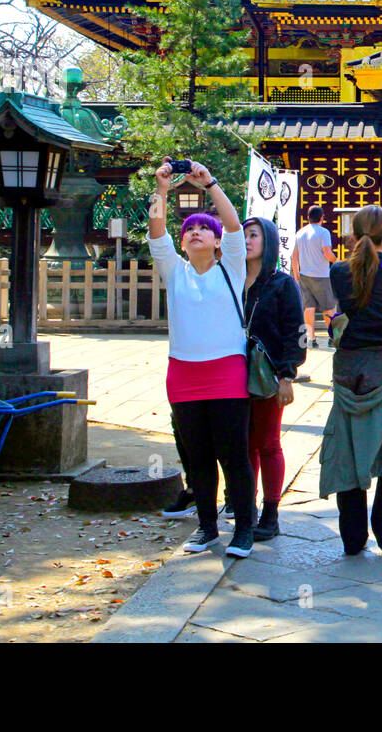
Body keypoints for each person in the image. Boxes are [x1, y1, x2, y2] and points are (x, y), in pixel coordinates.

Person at [148, 159, 256, 559]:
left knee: (234, 455)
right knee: (197, 458)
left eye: (202, 230)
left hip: (227, 372)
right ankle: (207, 527)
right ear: (183, 242)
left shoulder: (230, 267)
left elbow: (233, 225)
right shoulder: (175, 272)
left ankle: (244, 528)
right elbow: (155, 234)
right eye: (189, 229)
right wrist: (161, 190)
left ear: (215, 243)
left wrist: (208, 182)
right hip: (183, 375)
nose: (195, 233)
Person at [322, 205, 382, 556]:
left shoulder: (338, 272)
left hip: (351, 368)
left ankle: (352, 537)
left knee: (349, 450)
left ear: (353, 235)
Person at [241, 216, 307, 542]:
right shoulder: (233, 281)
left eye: (254, 235)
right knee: (244, 445)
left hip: (267, 375)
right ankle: (245, 506)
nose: (247, 240)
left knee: (267, 443)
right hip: (232, 374)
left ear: (267, 241)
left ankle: (271, 510)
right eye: (243, 235)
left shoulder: (282, 284)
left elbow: (296, 332)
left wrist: (287, 374)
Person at [291, 205, 338, 349]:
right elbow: (327, 253)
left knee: (309, 308)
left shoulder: (300, 233)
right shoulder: (323, 233)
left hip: (304, 275)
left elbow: (294, 256)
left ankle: (311, 338)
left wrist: (296, 275)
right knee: (328, 308)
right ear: (322, 218)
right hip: (321, 275)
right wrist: (337, 261)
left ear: (307, 218)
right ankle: (332, 337)